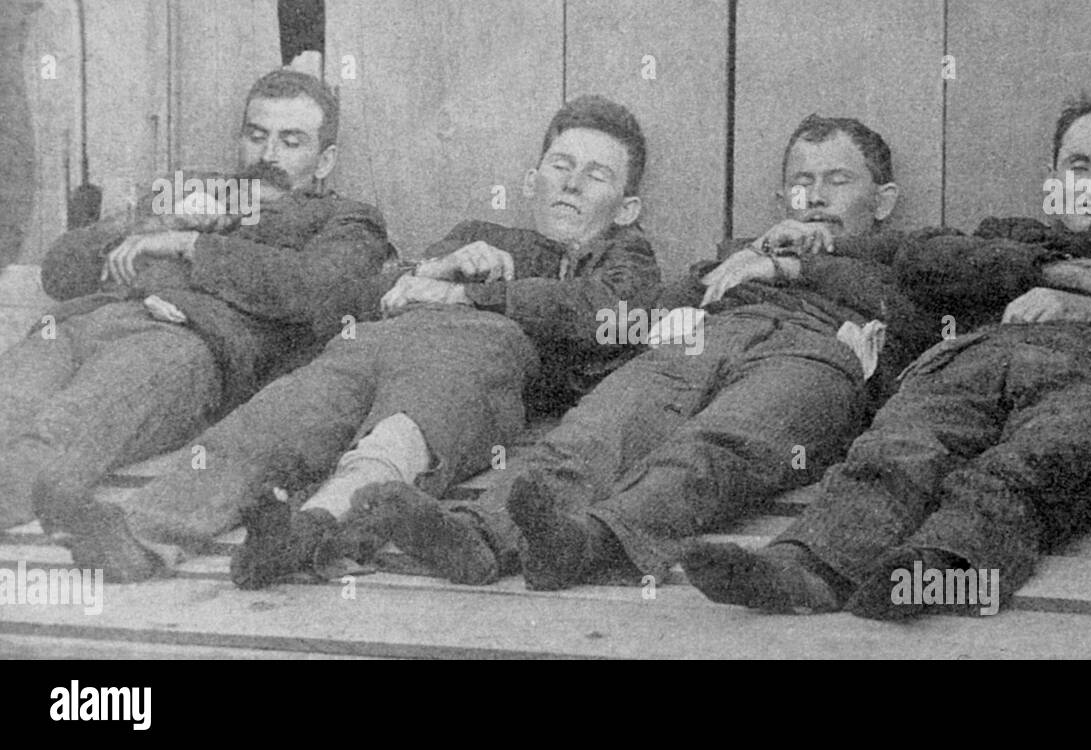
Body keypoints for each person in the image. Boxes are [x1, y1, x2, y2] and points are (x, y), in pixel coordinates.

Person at [685, 83, 1091, 619]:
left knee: (1041, 455)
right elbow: (916, 263)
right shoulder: (1007, 237)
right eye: (1077, 165)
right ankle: (805, 568)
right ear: (1053, 176)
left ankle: (944, 566)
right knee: (901, 443)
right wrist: (788, 257)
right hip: (972, 361)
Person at [37, 95, 660, 589]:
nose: (571, 185)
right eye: (560, 166)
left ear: (626, 207)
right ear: (533, 178)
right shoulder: (475, 232)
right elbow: (369, 291)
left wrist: (474, 294)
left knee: (408, 425)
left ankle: (312, 532)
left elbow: (611, 312)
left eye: (595, 175)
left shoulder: (623, 255)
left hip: (480, 359)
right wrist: (427, 273)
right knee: (268, 422)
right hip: (371, 344)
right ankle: (142, 536)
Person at [372, 114, 945, 591]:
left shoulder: (911, 258)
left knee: (720, 443)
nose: (815, 195)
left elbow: (913, 321)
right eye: (801, 182)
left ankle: (598, 541)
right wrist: (689, 299)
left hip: (817, 354)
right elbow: (644, 310)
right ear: (781, 197)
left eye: (837, 180)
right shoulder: (734, 257)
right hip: (710, 335)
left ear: (884, 200)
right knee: (602, 422)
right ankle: (479, 533)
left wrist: (805, 264)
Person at [2, 68, 391, 531]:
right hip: (80, 324)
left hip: (185, 345)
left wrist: (189, 245)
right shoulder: (191, 190)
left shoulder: (346, 220)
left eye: (291, 142)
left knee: (53, 438)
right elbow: (60, 271)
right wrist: (151, 224)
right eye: (256, 135)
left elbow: (315, 291)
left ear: (324, 161)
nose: (267, 155)